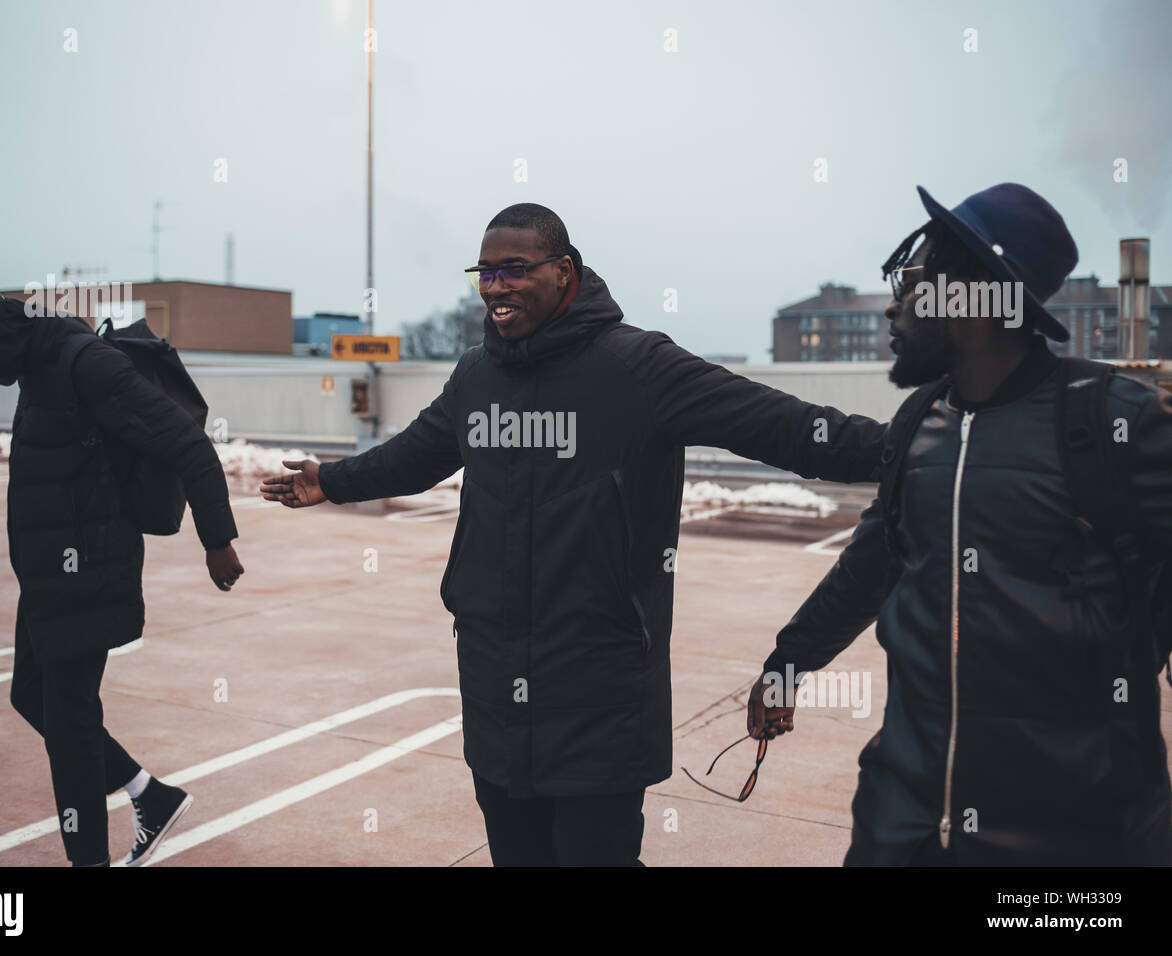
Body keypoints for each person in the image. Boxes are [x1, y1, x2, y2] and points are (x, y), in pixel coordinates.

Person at [260, 203, 886, 866]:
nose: (496, 286)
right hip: (494, 680)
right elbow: (415, 455)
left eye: (515, 270)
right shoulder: (478, 375)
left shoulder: (637, 368)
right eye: (486, 273)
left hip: (601, 689)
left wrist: (912, 449)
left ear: (564, 271)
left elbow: (784, 426)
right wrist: (331, 481)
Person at [749, 184, 1172, 866]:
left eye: (910, 283)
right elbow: (870, 568)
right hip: (904, 825)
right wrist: (787, 665)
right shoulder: (919, 424)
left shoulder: (1113, 424)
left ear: (972, 296)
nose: (892, 303)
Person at [0, 284, 245, 867]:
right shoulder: (34, 361)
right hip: (50, 577)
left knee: (71, 728)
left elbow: (190, 444)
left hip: (91, 572)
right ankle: (151, 795)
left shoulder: (86, 364)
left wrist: (217, 540)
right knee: (32, 696)